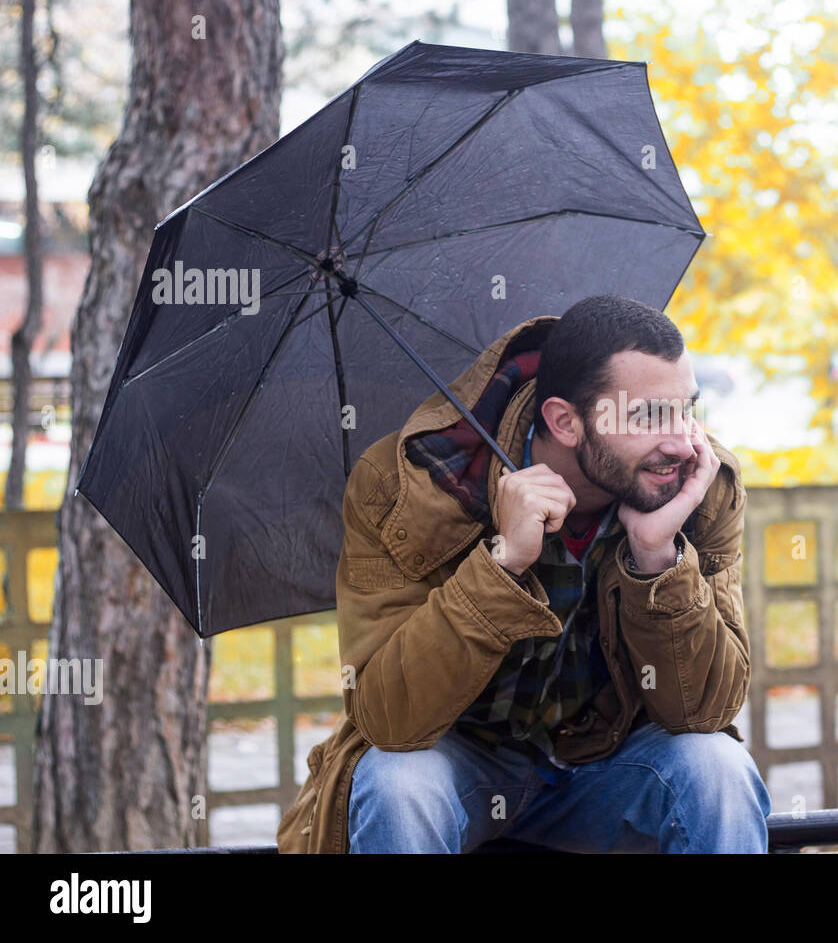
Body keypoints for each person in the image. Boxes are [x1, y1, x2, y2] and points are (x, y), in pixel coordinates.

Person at [276, 294, 770, 853]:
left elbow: (704, 711)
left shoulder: (701, 486)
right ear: (564, 421)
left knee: (717, 768)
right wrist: (501, 565)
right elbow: (388, 721)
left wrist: (659, 560)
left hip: (608, 768)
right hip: (456, 764)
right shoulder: (409, 487)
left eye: (687, 408)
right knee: (396, 786)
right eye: (648, 415)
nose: (682, 441)